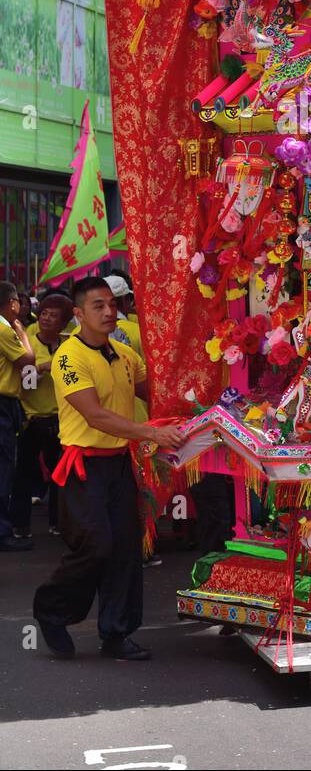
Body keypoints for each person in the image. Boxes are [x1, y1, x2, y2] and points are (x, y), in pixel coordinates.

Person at [33, 277, 184, 660]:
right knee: (95, 547)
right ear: (79, 314)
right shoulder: (69, 357)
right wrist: (150, 435)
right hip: (82, 467)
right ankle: (52, 610)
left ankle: (116, 632)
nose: (109, 311)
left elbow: (156, 396)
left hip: (119, 465)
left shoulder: (123, 353)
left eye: (112, 304)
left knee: (126, 550)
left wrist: (200, 414)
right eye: (98, 306)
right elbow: (95, 415)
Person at [10, 293, 73, 538]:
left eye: (54, 316)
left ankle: (59, 523)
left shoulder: (68, 346)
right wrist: (43, 367)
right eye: (45, 313)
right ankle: (20, 525)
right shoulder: (28, 345)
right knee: (24, 475)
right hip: (32, 419)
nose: (46, 319)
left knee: (61, 475)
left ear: (63, 322)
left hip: (61, 419)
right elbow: (24, 385)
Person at [0, 281, 36, 552]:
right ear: (12, 303)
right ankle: (3, 530)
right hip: (3, 404)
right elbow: (28, 360)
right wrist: (22, 333)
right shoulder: (4, 328)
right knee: (4, 466)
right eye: (17, 302)